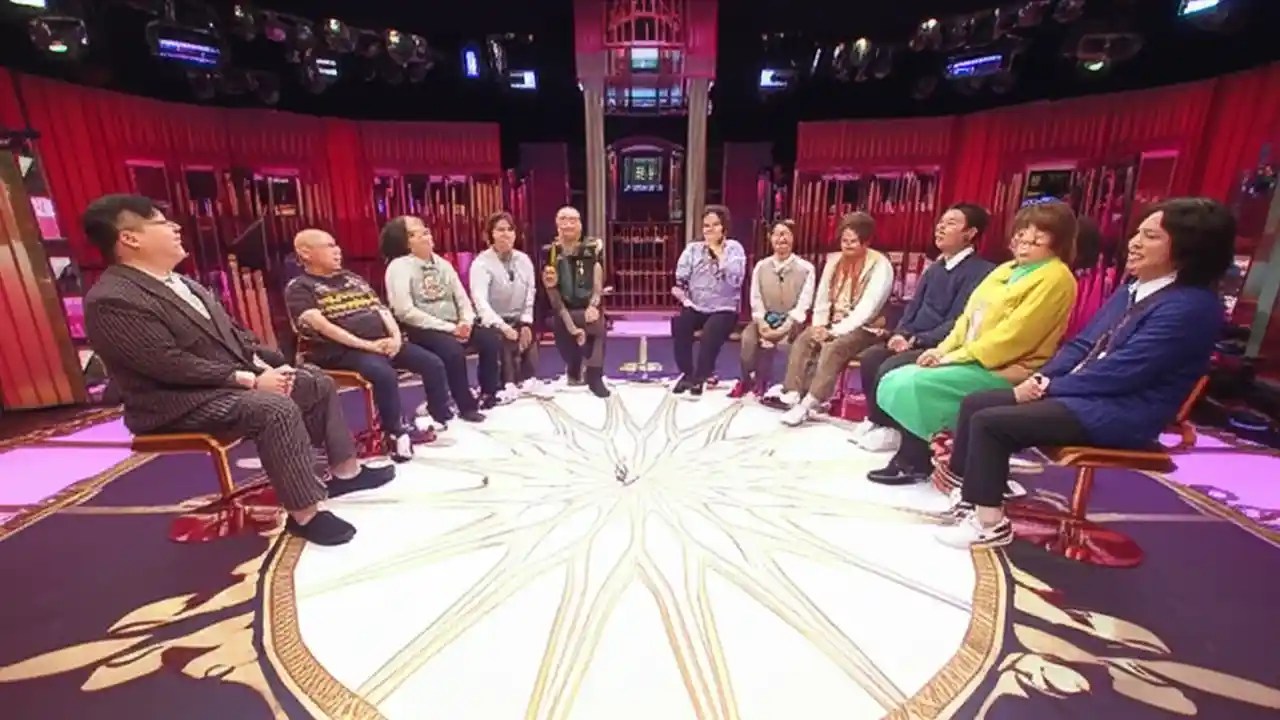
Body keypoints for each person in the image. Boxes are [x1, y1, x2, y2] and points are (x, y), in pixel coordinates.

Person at [81, 194, 391, 546]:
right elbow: (164, 363)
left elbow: (237, 338)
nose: (176, 227)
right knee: (272, 408)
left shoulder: (182, 282)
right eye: (161, 222)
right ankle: (306, 514)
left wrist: (272, 366)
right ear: (130, 238)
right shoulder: (113, 298)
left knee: (314, 381)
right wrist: (250, 380)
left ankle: (345, 472)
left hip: (221, 385)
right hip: (174, 401)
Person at [935, 198, 1235, 548]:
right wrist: (1040, 378)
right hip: (1088, 392)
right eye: (1137, 232)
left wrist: (1050, 387)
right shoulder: (1132, 289)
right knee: (977, 403)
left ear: (1188, 247)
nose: (1134, 242)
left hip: (1123, 409)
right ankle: (974, 491)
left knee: (992, 421)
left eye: (1150, 236)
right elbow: (1081, 346)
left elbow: (1124, 373)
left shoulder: (1192, 307)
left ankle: (990, 524)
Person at [870, 201, 1080, 485]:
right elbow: (966, 320)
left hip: (1008, 368)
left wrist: (952, 358)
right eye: (1021, 235)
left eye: (1036, 239)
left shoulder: (1057, 277)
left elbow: (1014, 338)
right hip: (969, 357)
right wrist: (941, 350)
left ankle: (926, 456)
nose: (1024, 244)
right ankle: (928, 452)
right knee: (895, 377)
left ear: (1058, 242)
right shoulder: (1005, 269)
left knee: (914, 383)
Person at [284, 229, 452, 462]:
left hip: (380, 343)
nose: (337, 251)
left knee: (432, 362)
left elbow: (382, 311)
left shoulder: (353, 279)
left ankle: (440, 416)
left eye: (337, 245)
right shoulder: (300, 287)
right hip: (337, 350)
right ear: (306, 252)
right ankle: (395, 433)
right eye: (330, 246)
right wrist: (368, 345)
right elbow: (322, 326)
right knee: (383, 373)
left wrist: (394, 338)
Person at [851, 203, 996, 451]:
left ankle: (898, 429)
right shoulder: (935, 269)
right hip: (913, 339)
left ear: (970, 233)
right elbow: (913, 308)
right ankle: (879, 422)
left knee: (890, 365)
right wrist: (900, 334)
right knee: (871, 358)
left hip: (941, 346)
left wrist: (917, 341)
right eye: (941, 222)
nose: (940, 227)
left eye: (951, 223)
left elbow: (959, 320)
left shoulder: (982, 272)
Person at [762, 212, 894, 427]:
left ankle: (811, 401)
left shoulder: (880, 265)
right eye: (844, 240)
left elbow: (868, 309)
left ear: (866, 241)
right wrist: (819, 326)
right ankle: (793, 392)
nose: (847, 246)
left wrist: (833, 332)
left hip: (866, 328)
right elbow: (822, 298)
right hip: (833, 322)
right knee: (805, 338)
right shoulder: (834, 261)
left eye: (853, 242)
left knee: (833, 347)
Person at [381, 216, 493, 417]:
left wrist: (466, 321)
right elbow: (404, 311)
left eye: (426, 230)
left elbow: (462, 297)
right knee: (451, 350)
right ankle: (464, 405)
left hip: (455, 323)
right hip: (422, 328)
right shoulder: (398, 267)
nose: (427, 234)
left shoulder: (442, 263)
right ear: (405, 242)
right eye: (417, 232)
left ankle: (489, 392)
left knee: (491, 339)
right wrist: (450, 328)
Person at [730, 219, 816, 398]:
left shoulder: (806, 269)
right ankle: (748, 380)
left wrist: (785, 327)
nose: (781, 239)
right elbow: (756, 298)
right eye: (777, 234)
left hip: (792, 321)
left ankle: (785, 387)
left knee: (785, 345)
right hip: (765, 319)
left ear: (793, 238)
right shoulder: (761, 266)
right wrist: (762, 323)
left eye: (786, 234)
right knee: (748, 339)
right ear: (770, 238)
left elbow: (804, 304)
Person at [470, 211, 550, 399]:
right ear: (490, 235)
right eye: (500, 230)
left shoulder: (523, 260)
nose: (505, 234)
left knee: (527, 337)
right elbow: (481, 303)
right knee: (502, 339)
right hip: (492, 321)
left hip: (517, 318)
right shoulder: (481, 264)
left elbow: (530, 293)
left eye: (509, 229)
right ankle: (506, 384)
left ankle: (528, 379)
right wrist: (504, 327)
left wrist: (526, 323)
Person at [670, 205, 748, 398]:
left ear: (724, 228)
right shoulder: (693, 249)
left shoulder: (734, 249)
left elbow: (736, 280)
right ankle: (687, 374)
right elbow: (681, 279)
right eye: (706, 226)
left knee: (711, 333)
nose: (709, 230)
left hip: (725, 308)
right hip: (696, 305)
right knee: (681, 324)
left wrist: (718, 254)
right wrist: (682, 293)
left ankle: (700, 377)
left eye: (714, 225)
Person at [542, 205, 610, 398]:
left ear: (581, 225)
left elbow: (598, 283)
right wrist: (572, 327)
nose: (568, 224)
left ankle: (595, 376)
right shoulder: (550, 252)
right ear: (556, 225)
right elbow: (553, 295)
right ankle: (574, 366)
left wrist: (593, 305)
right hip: (563, 310)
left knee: (596, 324)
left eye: (574, 220)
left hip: (587, 306)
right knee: (564, 331)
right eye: (563, 219)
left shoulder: (592, 248)